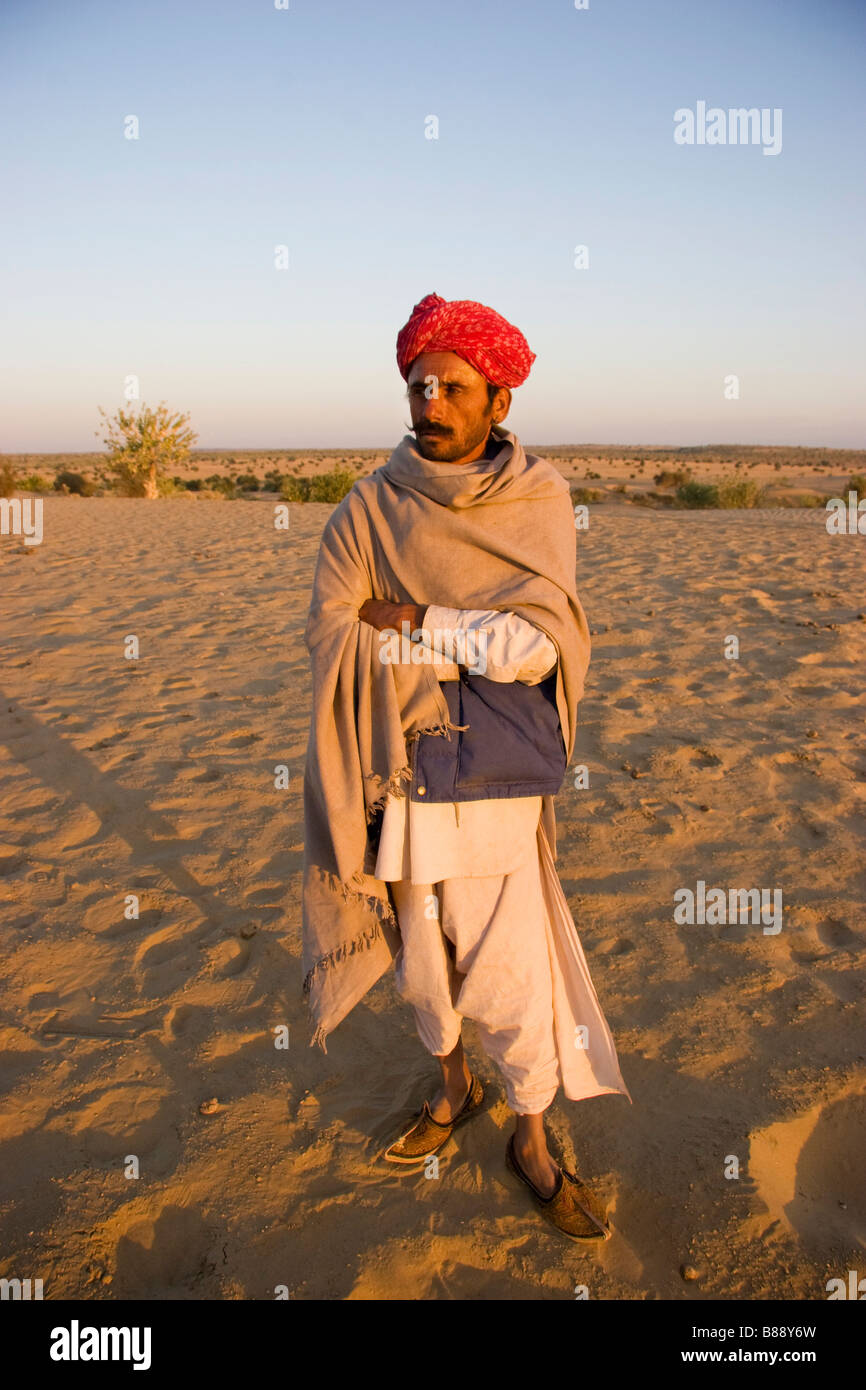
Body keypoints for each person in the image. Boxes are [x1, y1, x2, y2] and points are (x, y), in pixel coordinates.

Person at [302, 292, 632, 1242]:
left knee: (513, 976)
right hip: (397, 778)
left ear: (498, 399)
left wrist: (415, 623)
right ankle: (452, 1090)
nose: (432, 402)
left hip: (491, 786)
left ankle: (531, 1136)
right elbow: (331, 629)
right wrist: (459, 640)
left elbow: (539, 648)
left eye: (453, 386)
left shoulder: (538, 500)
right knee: (422, 968)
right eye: (419, 385)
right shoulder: (369, 508)